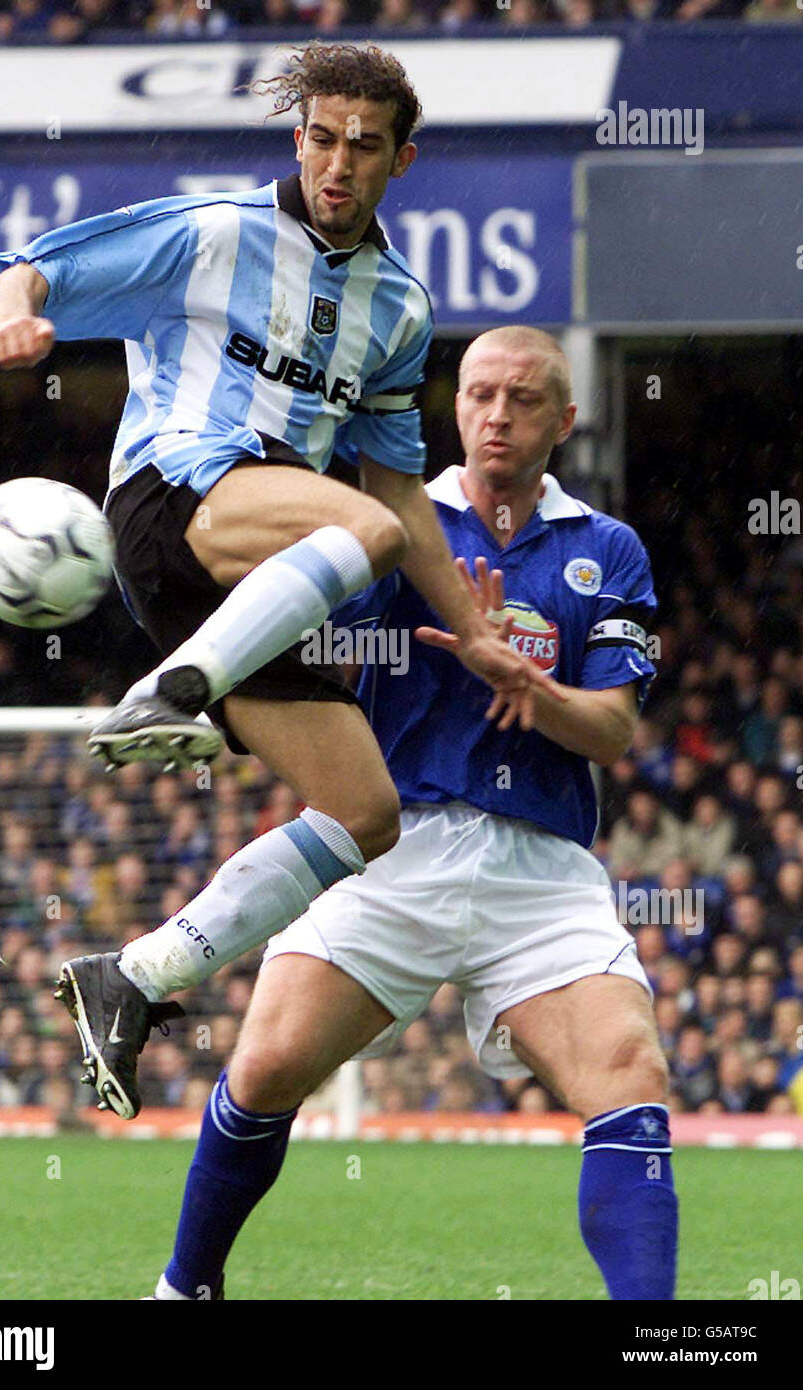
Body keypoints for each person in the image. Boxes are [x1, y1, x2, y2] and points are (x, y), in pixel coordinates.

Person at [0, 43, 555, 1119]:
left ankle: (134, 978)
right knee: (351, 528)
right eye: (322, 139)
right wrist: (18, 309)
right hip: (171, 502)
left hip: (259, 578)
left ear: (402, 158)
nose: (339, 163)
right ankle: (177, 692)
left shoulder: (398, 308)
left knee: (366, 810)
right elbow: (39, 262)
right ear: (298, 140)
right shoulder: (213, 233)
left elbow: (395, 494)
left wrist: (474, 634)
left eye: (365, 146)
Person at [144, 326, 678, 1303]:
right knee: (261, 1066)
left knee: (629, 1069)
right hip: (391, 853)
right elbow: (314, 662)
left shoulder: (606, 548)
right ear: (455, 407)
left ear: (564, 418)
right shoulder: (389, 530)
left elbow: (611, 733)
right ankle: (185, 1288)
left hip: (540, 875)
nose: (497, 414)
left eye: (522, 399)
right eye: (479, 394)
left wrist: (528, 685)